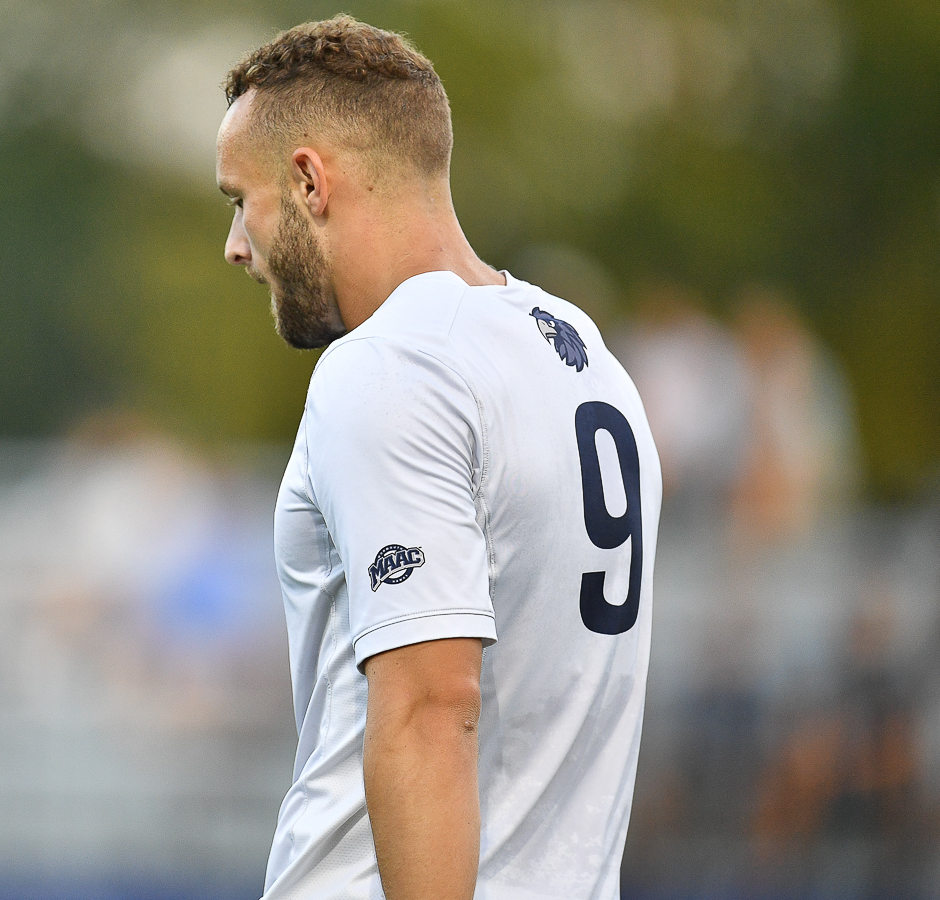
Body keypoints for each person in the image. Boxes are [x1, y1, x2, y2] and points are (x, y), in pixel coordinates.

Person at [214, 17, 662, 900]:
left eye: (239, 199)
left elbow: (430, 709)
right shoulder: (580, 353)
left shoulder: (390, 365)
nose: (235, 246)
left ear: (308, 180)